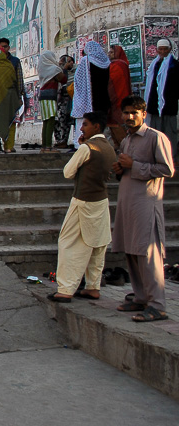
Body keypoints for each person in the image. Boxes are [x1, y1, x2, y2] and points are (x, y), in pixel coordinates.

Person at [111, 95, 175, 322]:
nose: (128, 117)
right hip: (128, 203)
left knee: (148, 253)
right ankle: (141, 297)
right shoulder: (127, 140)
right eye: (125, 113)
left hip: (146, 204)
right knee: (131, 250)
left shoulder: (155, 138)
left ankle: (157, 305)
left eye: (133, 113)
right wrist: (121, 168)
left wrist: (134, 166)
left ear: (143, 114)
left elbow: (166, 170)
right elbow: (128, 169)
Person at [47, 111, 116, 303]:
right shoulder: (109, 148)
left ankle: (66, 289)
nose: (82, 127)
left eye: (85, 124)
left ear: (96, 127)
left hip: (83, 201)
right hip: (101, 201)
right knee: (97, 245)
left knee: (69, 244)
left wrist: (81, 147)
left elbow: (68, 172)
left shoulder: (88, 148)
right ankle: (93, 287)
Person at [144, 39, 179, 162]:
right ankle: (158, 156)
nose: (163, 51)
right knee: (157, 133)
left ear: (169, 50)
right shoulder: (154, 65)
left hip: (169, 105)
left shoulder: (174, 65)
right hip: (154, 105)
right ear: (157, 50)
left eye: (165, 49)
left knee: (170, 133)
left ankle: (171, 157)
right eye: (160, 49)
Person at [71, 40, 111, 148]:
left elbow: (79, 80)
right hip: (103, 98)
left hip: (89, 97)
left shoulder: (86, 60)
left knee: (86, 122)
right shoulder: (107, 62)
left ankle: (82, 145)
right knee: (100, 124)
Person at [0, 38, 27, 152]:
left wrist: (19, 96)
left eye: (5, 46)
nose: (3, 49)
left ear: (9, 48)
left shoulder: (15, 61)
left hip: (11, 95)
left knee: (12, 121)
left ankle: (9, 146)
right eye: (1, 47)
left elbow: (19, 79)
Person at [37, 50, 67, 152]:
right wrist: (64, 69)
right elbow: (63, 79)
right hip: (50, 96)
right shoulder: (54, 69)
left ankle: (44, 146)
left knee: (46, 121)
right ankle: (48, 146)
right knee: (50, 120)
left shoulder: (42, 69)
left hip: (42, 96)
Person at [108, 45, 133, 148]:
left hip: (118, 100)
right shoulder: (122, 64)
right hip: (123, 100)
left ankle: (125, 149)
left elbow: (112, 83)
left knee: (118, 124)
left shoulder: (117, 65)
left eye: (112, 52)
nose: (109, 54)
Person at [54, 55, 76, 149]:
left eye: (71, 61)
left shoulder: (76, 71)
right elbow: (61, 81)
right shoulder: (59, 71)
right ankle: (59, 141)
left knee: (66, 121)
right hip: (60, 99)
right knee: (59, 120)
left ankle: (64, 141)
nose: (71, 63)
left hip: (70, 99)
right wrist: (64, 70)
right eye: (68, 61)